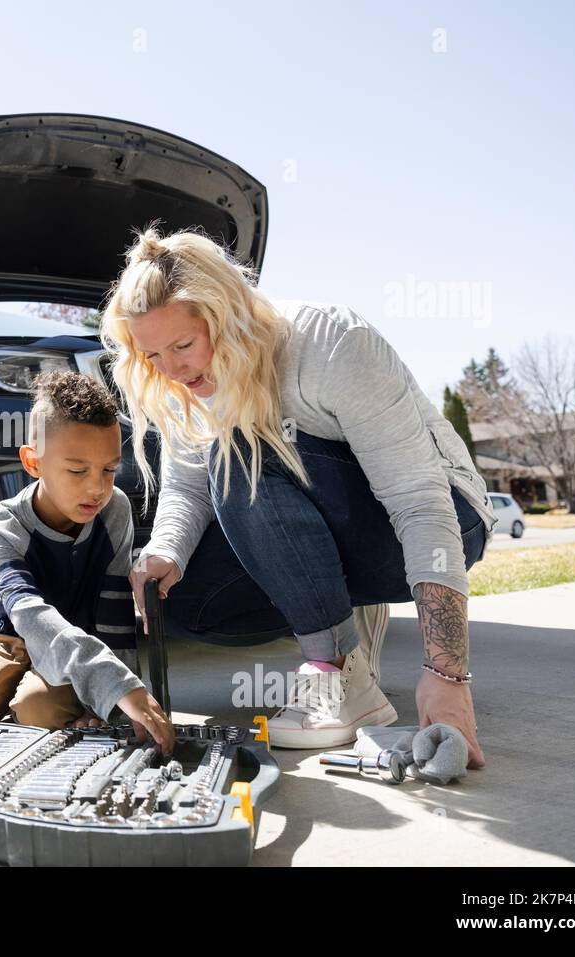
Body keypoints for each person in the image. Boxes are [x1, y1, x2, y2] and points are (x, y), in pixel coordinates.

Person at [102, 223, 494, 766]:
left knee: (237, 448)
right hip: (331, 531)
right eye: (152, 356)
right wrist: (165, 550)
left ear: (227, 316)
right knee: (182, 595)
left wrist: (446, 673)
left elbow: (418, 503)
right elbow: (187, 489)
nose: (171, 370)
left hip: (441, 515)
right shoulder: (182, 382)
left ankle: (337, 674)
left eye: (184, 345)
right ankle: (343, 652)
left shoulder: (332, 342)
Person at [0, 370, 175, 753]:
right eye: (77, 470)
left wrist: (114, 698)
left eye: (109, 469)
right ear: (33, 463)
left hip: (78, 647)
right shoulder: (6, 525)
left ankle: (19, 702)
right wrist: (112, 683)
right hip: (15, 638)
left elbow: (115, 618)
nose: (97, 487)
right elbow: (29, 612)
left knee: (39, 710)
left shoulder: (114, 510)